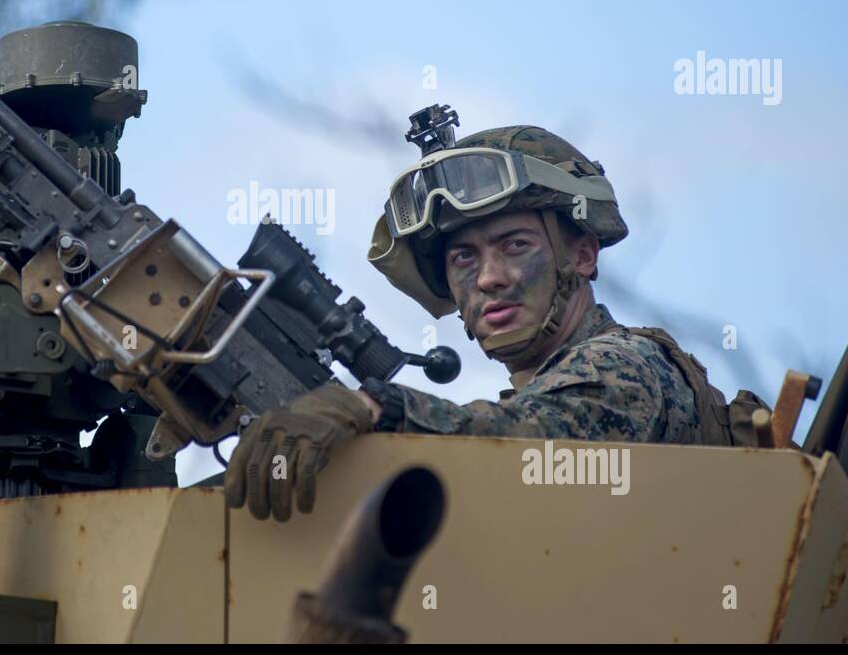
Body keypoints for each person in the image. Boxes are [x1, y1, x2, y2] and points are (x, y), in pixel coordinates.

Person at [225, 106, 738, 522]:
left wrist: (375, 407)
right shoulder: (531, 396)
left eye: (515, 245)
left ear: (582, 256)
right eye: (463, 257)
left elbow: (527, 446)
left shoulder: (627, 366)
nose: (488, 277)